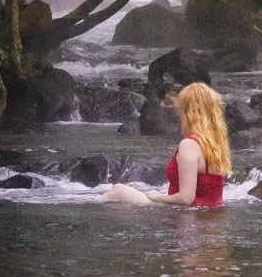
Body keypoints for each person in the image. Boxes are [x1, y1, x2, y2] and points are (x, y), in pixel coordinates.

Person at [98, 81, 231, 208]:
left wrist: (158, 196)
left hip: (186, 215)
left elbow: (186, 199)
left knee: (118, 191)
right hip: (208, 216)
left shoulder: (190, 145)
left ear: (189, 112)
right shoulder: (216, 144)